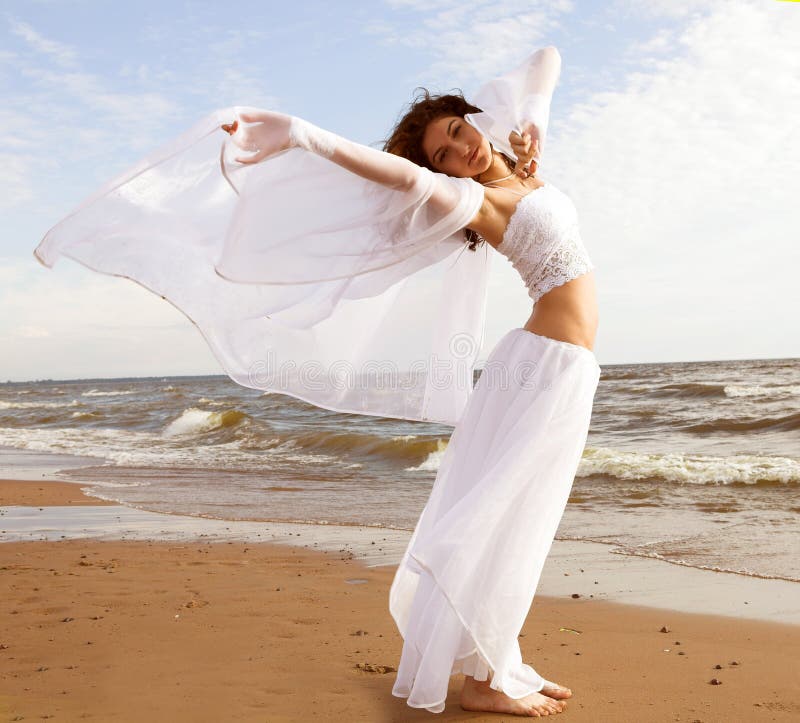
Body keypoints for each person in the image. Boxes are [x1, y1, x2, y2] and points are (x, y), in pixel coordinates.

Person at [34, 45, 598, 718]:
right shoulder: (477, 201)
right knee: (509, 518)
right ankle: (484, 679)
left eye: (457, 131)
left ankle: (494, 661)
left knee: (522, 517)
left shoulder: (524, 164)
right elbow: (397, 176)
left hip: (559, 367)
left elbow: (546, 57)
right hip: (542, 366)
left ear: (470, 117)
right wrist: (305, 135)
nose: (459, 151)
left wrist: (533, 115)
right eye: (444, 154)